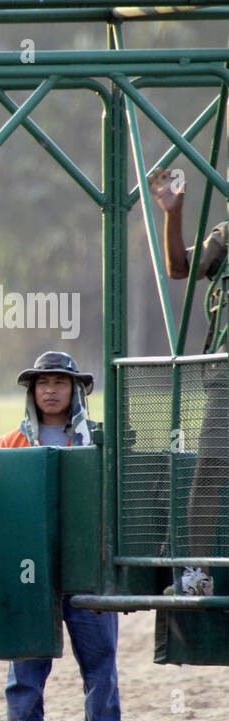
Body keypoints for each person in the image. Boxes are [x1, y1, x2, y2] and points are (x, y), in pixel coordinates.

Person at [0, 351, 127, 721]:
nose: (50, 390)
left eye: (60, 382)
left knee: (100, 663)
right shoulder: (10, 443)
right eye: (42, 383)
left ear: (76, 391)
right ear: (32, 392)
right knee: (26, 666)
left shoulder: (99, 439)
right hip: (30, 574)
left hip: (86, 572)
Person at [149, 166, 228, 596]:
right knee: (209, 471)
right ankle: (198, 572)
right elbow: (179, 268)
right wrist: (172, 213)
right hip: (225, 375)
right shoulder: (226, 236)